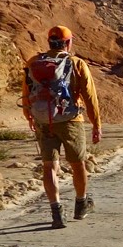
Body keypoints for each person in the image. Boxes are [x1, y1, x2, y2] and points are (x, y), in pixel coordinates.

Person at [22, 25, 102, 229]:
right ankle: (81, 204)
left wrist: (30, 116)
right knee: (78, 164)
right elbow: (90, 97)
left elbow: (26, 91)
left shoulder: (34, 62)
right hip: (70, 120)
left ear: (49, 41)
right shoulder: (75, 63)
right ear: (68, 43)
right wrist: (96, 124)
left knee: (49, 166)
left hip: (43, 119)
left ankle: (56, 212)